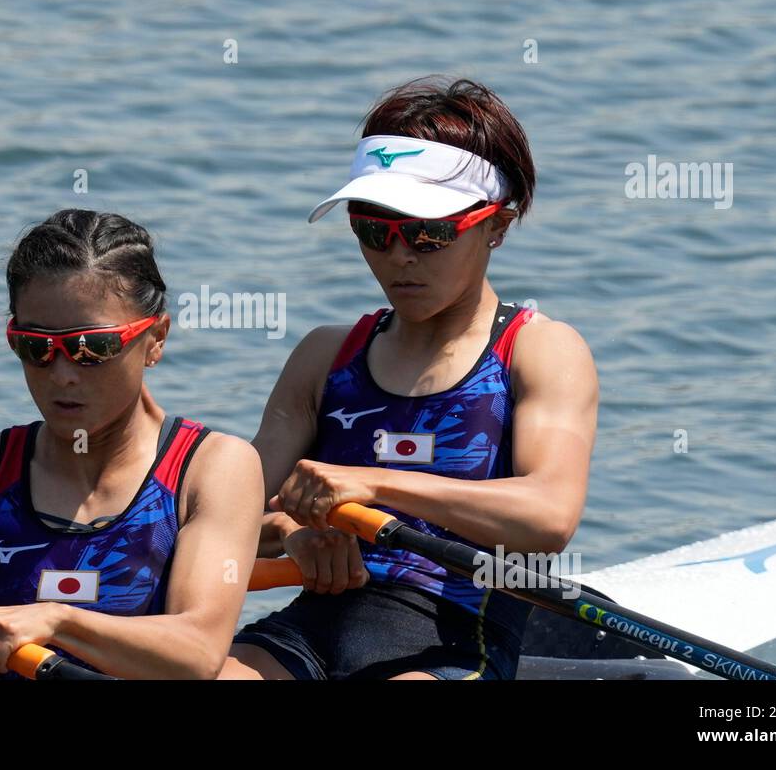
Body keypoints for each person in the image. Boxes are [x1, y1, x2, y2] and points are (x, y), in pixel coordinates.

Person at [220, 77, 598, 680]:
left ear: (496, 224)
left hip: (452, 637)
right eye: (374, 230)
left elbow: (548, 516)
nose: (399, 257)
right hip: (307, 629)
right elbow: (222, 520)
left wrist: (373, 486)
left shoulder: (539, 350)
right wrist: (291, 536)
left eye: (429, 234)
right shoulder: (325, 356)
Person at [0, 209, 263, 679]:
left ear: (156, 339)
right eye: (36, 347)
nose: (62, 374)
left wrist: (54, 619)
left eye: (92, 348)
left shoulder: (214, 468)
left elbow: (197, 653)